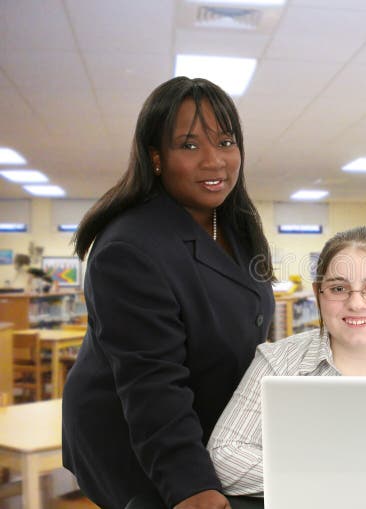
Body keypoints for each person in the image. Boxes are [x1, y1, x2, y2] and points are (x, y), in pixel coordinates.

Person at [62, 76, 276, 509]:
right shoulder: (128, 249)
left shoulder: (234, 225)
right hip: (137, 440)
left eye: (226, 142)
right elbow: (151, 383)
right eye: (189, 145)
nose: (214, 161)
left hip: (211, 421)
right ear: (156, 158)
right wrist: (190, 486)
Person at [207, 226, 366, 496]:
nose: (356, 304)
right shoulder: (277, 362)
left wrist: (311, 477)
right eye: (338, 288)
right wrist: (349, 482)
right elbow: (224, 456)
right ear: (318, 294)